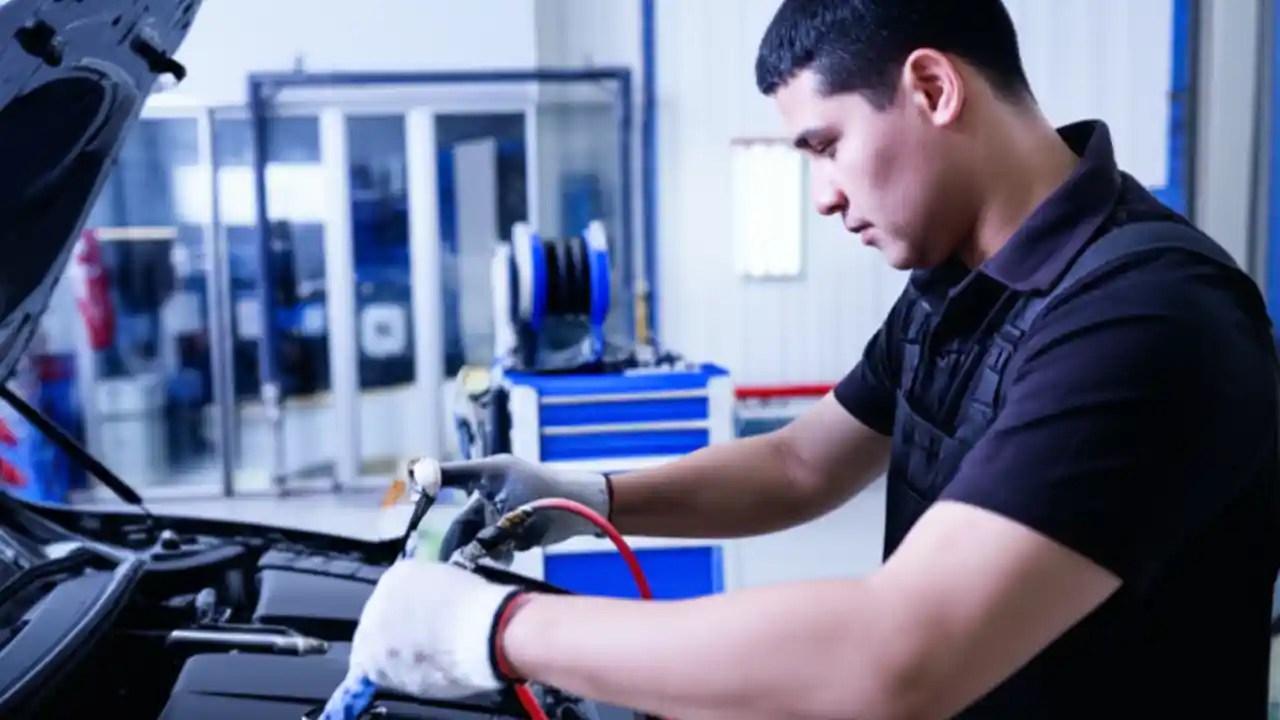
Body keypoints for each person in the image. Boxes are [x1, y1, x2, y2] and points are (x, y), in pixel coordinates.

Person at [345, 0, 1280, 717]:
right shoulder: (954, 284)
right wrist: (586, 497)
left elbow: (901, 653)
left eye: (826, 146)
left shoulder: (1148, 316)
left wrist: (498, 629)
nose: (824, 197)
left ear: (933, 88)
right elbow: (801, 463)